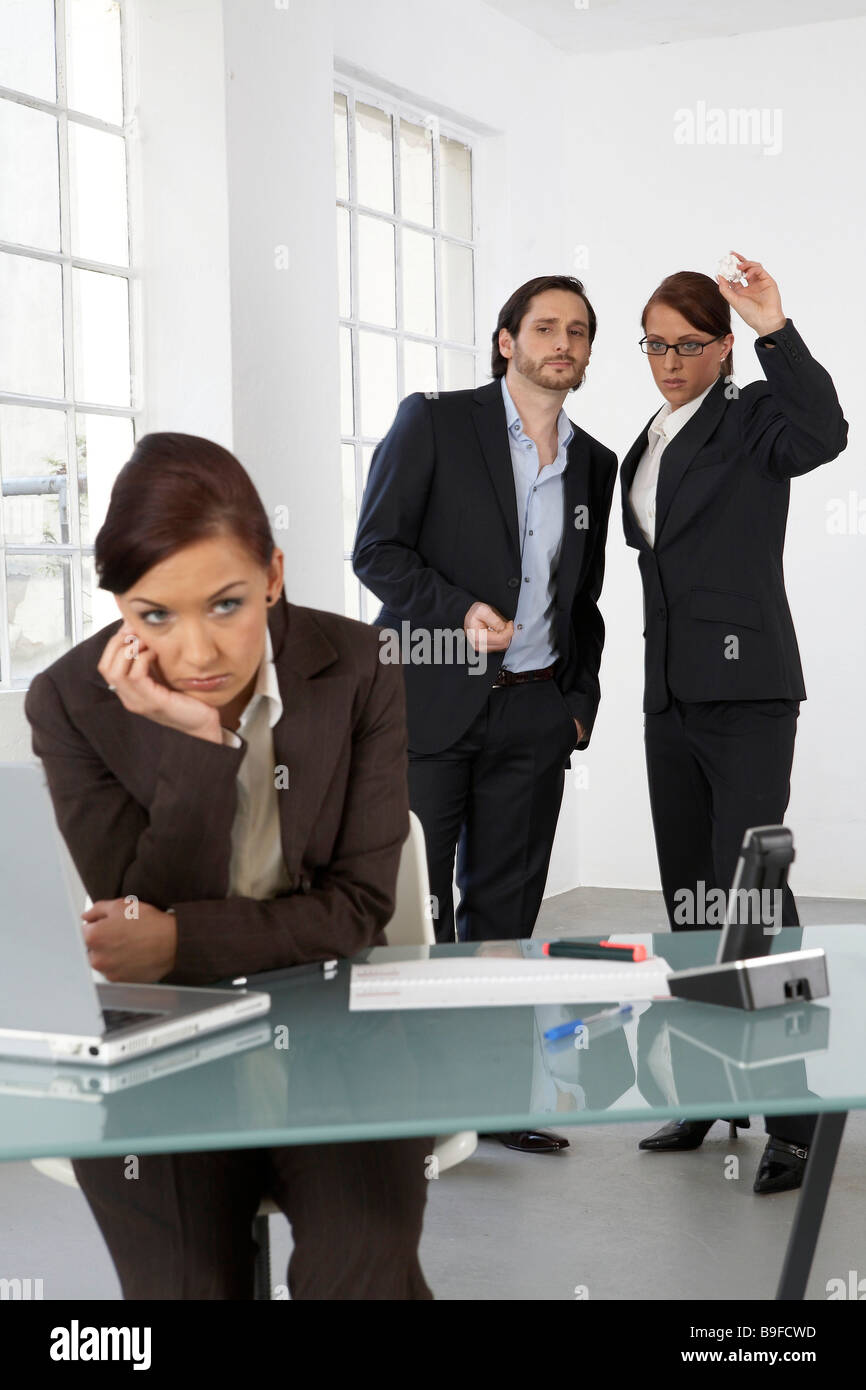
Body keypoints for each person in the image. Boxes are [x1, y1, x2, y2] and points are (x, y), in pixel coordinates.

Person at [24, 433, 434, 1299]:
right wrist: (197, 747)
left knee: (359, 1273)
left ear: (275, 575)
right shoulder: (70, 701)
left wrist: (178, 941)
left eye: (226, 604)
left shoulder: (359, 666)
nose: (198, 655)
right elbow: (139, 922)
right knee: (182, 1288)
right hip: (161, 1047)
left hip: (340, 1032)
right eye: (154, 615)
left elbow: (359, 908)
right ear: (121, 609)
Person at [353, 275, 617, 1153]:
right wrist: (458, 610)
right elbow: (376, 551)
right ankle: (418, 1109)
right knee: (418, 915)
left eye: (579, 331)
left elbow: (584, 600)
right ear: (507, 341)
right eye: (546, 327)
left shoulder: (595, 463)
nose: (564, 343)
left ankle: (499, 1102)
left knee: (504, 916)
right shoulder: (434, 421)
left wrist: (577, 705)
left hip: (535, 716)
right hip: (429, 705)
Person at [620, 255, 848, 1192]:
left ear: (719, 346)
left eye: (688, 344)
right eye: (655, 344)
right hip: (670, 700)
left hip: (748, 695)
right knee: (692, 904)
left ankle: (797, 1119)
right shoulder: (648, 437)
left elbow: (828, 430)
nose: (670, 361)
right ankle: (709, 1090)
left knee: (755, 902)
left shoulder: (755, 419)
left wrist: (774, 329)